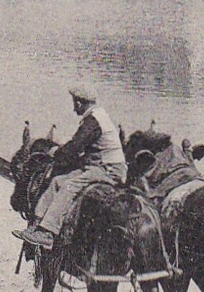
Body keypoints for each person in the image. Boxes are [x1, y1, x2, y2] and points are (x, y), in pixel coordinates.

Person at [14, 86, 127, 248]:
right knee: (56, 182)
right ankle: (36, 225)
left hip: (109, 169)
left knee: (69, 186)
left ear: (79, 103)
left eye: (75, 104)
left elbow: (74, 148)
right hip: (97, 166)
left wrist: (56, 152)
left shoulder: (94, 121)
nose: (74, 109)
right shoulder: (96, 117)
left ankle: (48, 232)